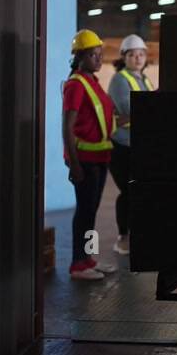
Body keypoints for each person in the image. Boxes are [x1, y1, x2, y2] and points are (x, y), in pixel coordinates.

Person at [63, 29, 129, 280]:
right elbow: (67, 126)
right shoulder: (76, 85)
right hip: (86, 161)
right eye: (94, 55)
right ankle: (77, 265)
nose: (99, 59)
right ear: (80, 57)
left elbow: (107, 120)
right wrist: (74, 164)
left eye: (101, 54)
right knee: (84, 211)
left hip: (100, 159)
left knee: (91, 211)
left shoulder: (93, 83)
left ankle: (88, 259)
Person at [107, 34, 154, 255]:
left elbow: (145, 108)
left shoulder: (145, 80)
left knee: (138, 191)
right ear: (124, 57)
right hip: (122, 147)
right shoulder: (119, 79)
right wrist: (147, 108)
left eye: (141, 54)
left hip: (140, 145)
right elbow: (128, 108)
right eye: (133, 54)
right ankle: (123, 237)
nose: (138, 58)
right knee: (127, 191)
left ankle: (137, 234)